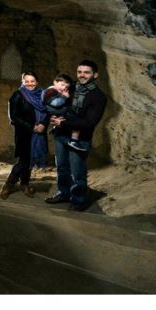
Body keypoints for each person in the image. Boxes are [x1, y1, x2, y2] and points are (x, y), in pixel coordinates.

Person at [45, 60, 108, 212]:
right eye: (80, 72)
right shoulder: (71, 88)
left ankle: (78, 201)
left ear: (95, 75)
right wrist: (52, 117)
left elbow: (89, 122)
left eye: (86, 72)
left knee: (77, 171)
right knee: (62, 168)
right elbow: (58, 104)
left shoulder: (98, 97)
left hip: (80, 139)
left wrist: (63, 122)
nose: (82, 75)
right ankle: (63, 194)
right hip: (61, 135)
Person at [2, 72, 46, 199]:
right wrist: (31, 126)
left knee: (29, 160)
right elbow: (14, 116)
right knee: (23, 160)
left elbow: (47, 112)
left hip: (39, 134)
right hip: (24, 133)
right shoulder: (18, 95)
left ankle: (24, 184)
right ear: (22, 82)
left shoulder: (42, 95)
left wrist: (43, 124)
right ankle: (8, 185)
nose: (29, 84)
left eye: (32, 81)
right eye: (26, 81)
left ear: (37, 82)